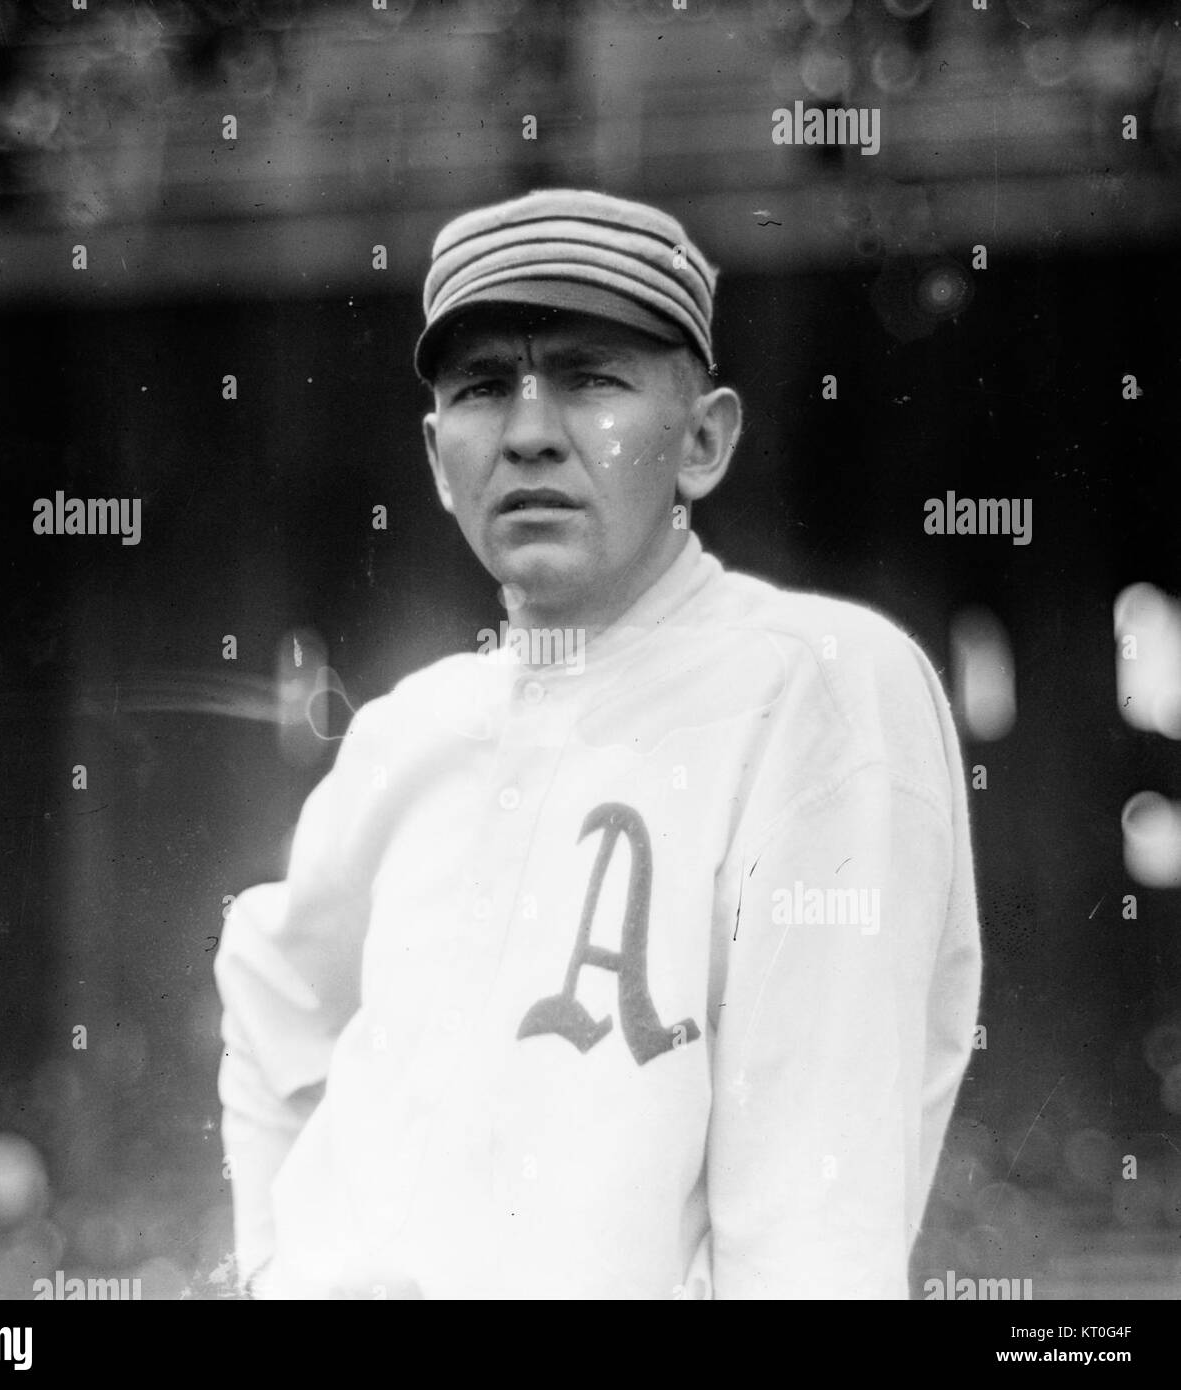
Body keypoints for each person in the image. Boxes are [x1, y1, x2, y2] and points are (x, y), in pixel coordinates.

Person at [215, 189, 982, 1299]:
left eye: (588, 376)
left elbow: (814, 1230)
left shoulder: (813, 684)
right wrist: (275, 1269)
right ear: (439, 458)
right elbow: (271, 994)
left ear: (704, 439)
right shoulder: (403, 733)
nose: (528, 429)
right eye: (482, 387)